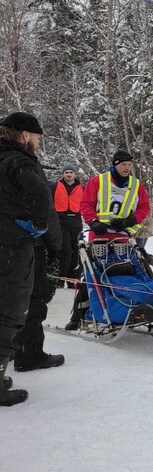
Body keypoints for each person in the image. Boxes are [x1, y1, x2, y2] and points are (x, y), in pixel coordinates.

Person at [0, 111, 53, 406]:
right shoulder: (18, 161)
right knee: (9, 312)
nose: (38, 143)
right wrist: (37, 225)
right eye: (36, 138)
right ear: (24, 135)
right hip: (11, 249)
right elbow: (41, 196)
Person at [65, 149, 151, 330]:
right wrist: (93, 221)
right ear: (115, 165)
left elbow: (144, 207)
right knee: (93, 275)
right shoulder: (99, 181)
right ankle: (78, 317)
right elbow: (86, 204)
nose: (127, 168)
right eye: (123, 165)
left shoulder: (136, 185)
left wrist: (130, 221)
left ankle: (126, 307)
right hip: (99, 236)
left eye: (129, 165)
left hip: (122, 236)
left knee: (125, 273)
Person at [14, 183, 64, 372]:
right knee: (33, 299)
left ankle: (9, 349)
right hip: (28, 244)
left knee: (9, 299)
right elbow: (45, 207)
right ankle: (30, 354)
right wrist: (55, 245)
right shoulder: (25, 170)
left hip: (8, 244)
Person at [51, 163, 83, 285]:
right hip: (61, 221)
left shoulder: (82, 188)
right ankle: (60, 279)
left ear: (75, 174)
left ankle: (72, 281)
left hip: (76, 221)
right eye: (66, 172)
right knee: (65, 250)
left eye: (71, 172)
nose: (69, 175)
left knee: (76, 251)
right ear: (63, 174)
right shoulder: (55, 187)